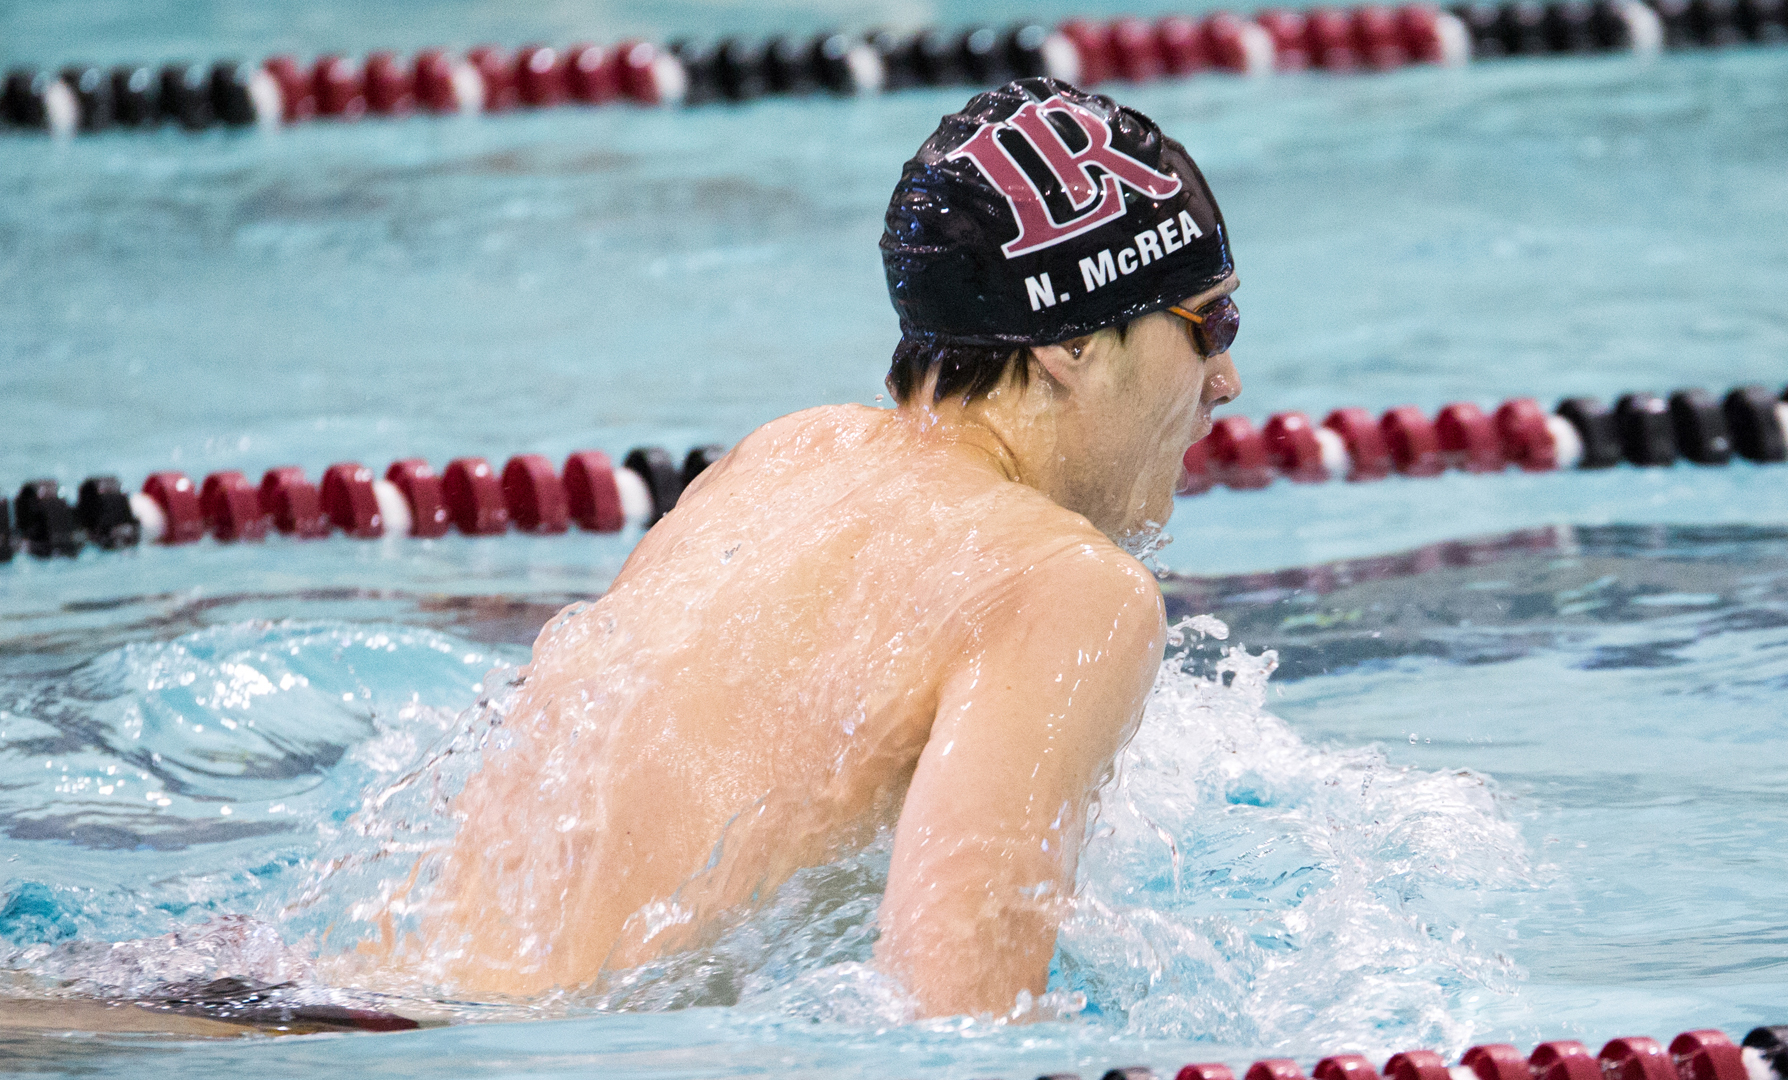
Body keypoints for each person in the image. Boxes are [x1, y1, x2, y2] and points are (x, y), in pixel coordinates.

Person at [402, 77, 1243, 1018]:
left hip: (358, 1006)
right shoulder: (1067, 588)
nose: (1228, 379)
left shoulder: (785, 455)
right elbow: (956, 1019)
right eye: (1210, 324)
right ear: (1072, 345)